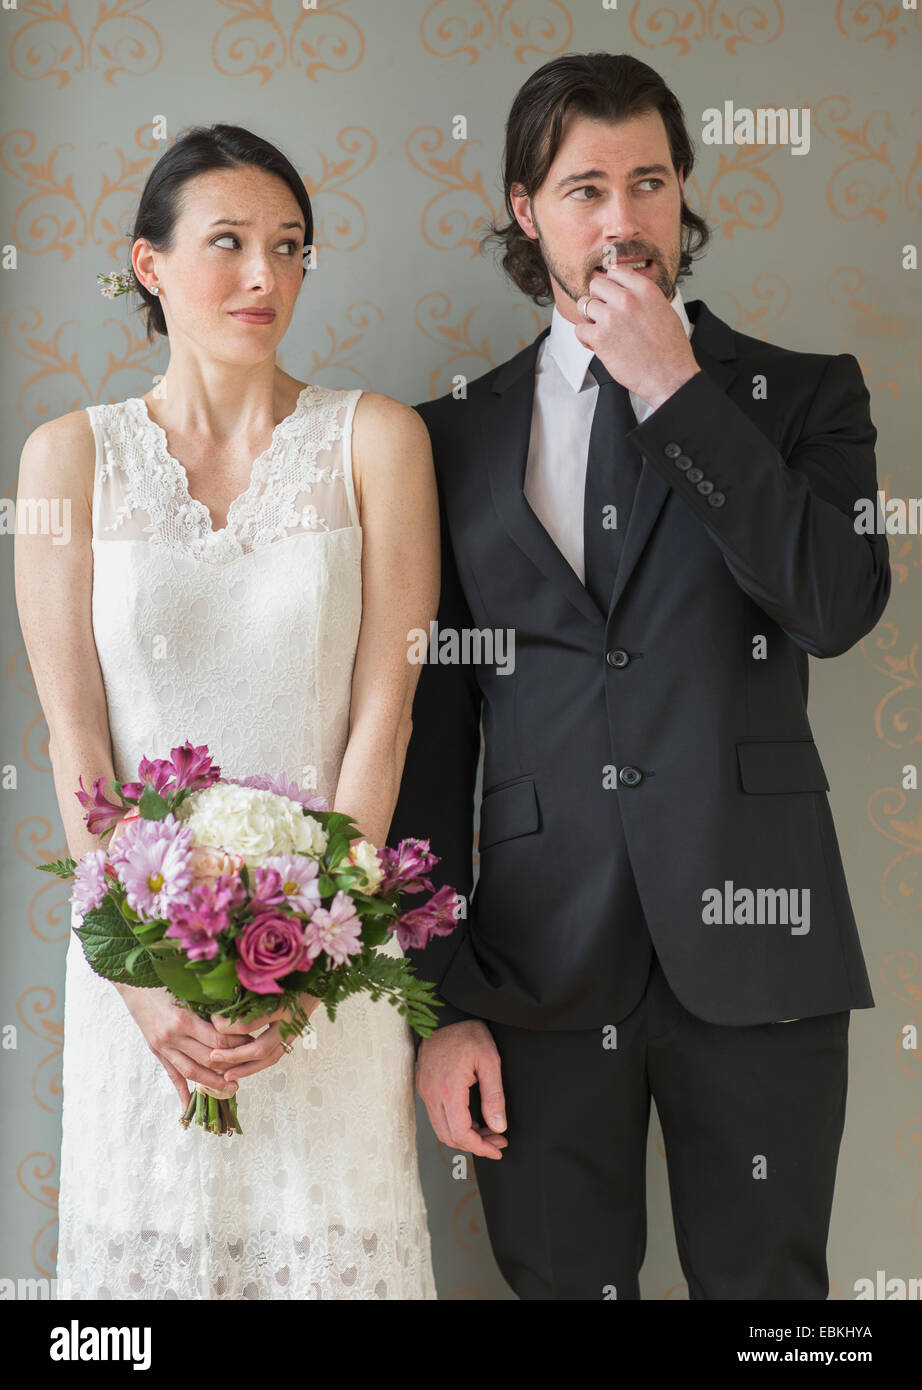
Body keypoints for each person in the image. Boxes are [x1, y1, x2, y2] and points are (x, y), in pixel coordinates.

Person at [389, 52, 892, 1300]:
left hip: (760, 945)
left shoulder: (801, 396)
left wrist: (673, 389)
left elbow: (834, 607)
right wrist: (432, 1002)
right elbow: (429, 731)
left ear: (684, 193)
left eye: (650, 182)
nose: (623, 220)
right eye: (585, 188)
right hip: (531, 971)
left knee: (774, 1306)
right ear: (526, 209)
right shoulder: (444, 439)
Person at [14, 123, 439, 1300]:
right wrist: (146, 987)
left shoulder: (379, 439)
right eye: (231, 244)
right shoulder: (65, 460)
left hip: (330, 965)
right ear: (149, 263)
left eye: (291, 247)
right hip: (138, 965)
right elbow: (77, 736)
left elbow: (383, 716)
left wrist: (307, 959)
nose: (267, 277)